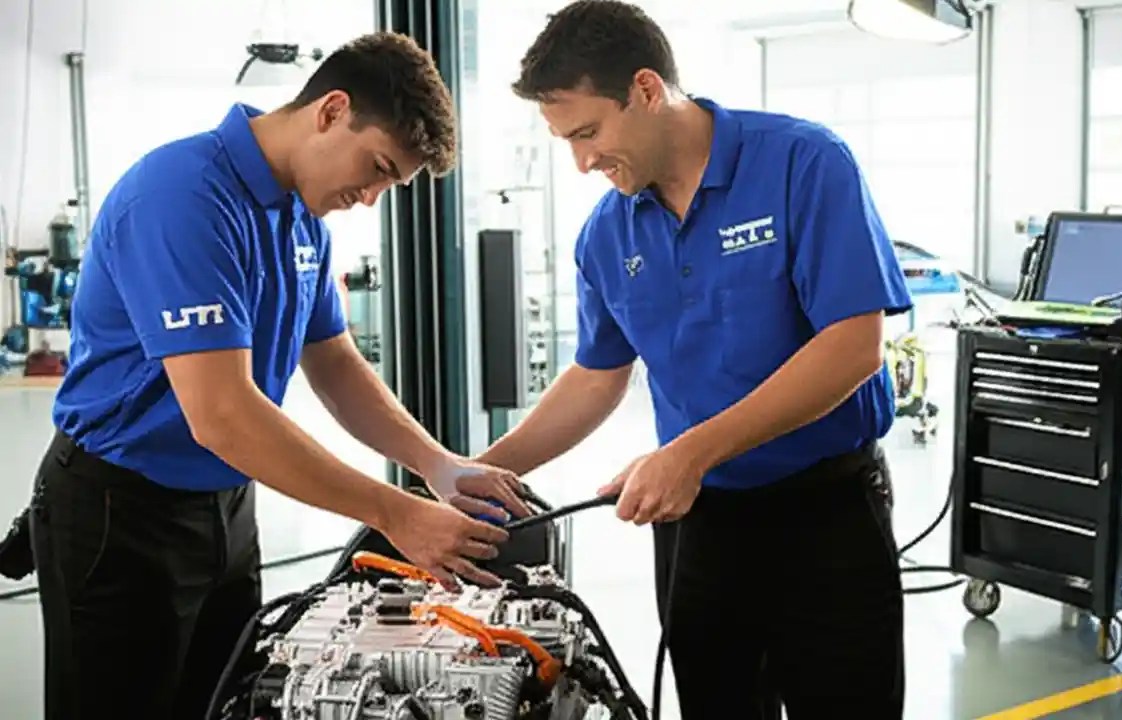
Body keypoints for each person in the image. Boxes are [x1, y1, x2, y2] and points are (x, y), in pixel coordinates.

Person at [30, 31, 530, 720]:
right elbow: (223, 415)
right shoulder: (182, 197)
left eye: (394, 185)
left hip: (226, 507)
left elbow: (334, 362)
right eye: (378, 167)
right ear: (330, 110)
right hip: (122, 512)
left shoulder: (301, 220)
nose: (372, 198)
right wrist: (393, 513)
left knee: (224, 701)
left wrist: (435, 465)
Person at [479, 2, 912, 718]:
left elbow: (852, 348)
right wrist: (487, 474)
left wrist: (689, 452)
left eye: (588, 133)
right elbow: (596, 375)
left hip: (826, 518)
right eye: (566, 141)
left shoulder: (802, 163)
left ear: (647, 90)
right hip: (700, 530)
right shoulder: (606, 234)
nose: (582, 162)